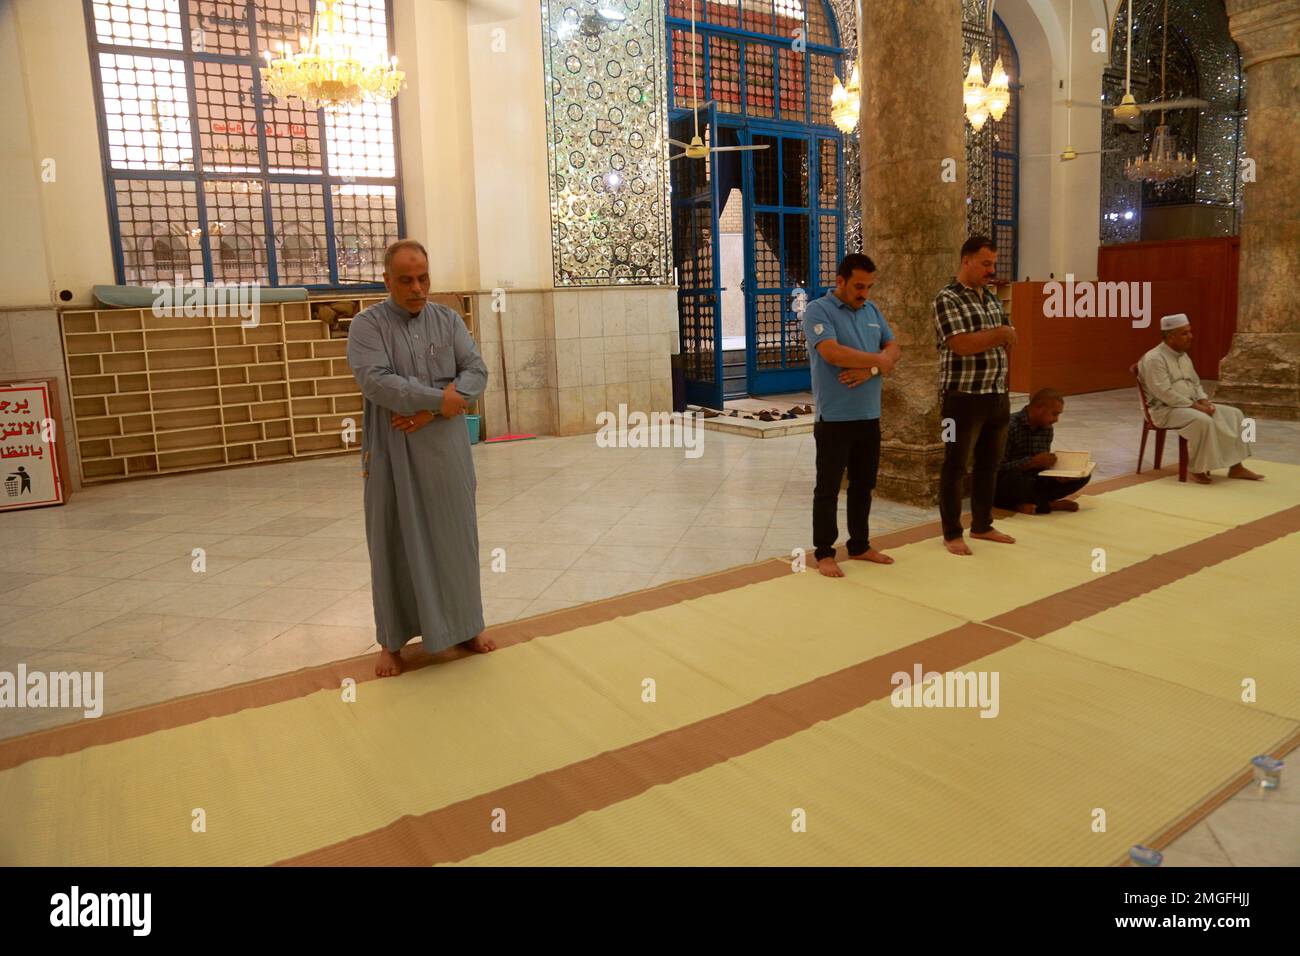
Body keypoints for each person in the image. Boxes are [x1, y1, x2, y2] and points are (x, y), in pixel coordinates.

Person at [347, 239, 494, 677]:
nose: (417, 288)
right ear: (388, 280)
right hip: (393, 449)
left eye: (423, 278)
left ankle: (466, 625)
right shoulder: (367, 326)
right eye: (406, 280)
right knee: (393, 539)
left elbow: (477, 370)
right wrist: (438, 398)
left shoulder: (447, 320)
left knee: (456, 537)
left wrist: (433, 410)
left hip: (445, 447)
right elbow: (377, 382)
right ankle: (392, 642)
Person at [802, 253, 901, 578]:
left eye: (869, 287)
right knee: (828, 488)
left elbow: (893, 348)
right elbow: (831, 353)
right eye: (859, 286)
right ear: (840, 281)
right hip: (834, 419)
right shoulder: (819, 309)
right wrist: (877, 362)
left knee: (863, 486)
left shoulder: (872, 311)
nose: (865, 293)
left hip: (868, 416)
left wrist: (870, 368)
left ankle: (859, 545)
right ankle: (825, 552)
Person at [933, 236, 1017, 555]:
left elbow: (1011, 338)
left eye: (993, 264)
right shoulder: (947, 298)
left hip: (995, 393)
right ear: (966, 261)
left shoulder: (992, 298)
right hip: (960, 399)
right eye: (985, 263)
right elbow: (961, 344)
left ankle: (982, 524)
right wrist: (999, 335)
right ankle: (952, 532)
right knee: (955, 465)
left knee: (989, 465)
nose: (991, 270)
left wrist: (999, 336)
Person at [1137, 313, 1264, 484]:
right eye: (1185, 333)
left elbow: (1195, 383)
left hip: (1191, 405)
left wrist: (1203, 400)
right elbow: (1164, 393)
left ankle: (1236, 467)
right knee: (1203, 421)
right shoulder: (1154, 359)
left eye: (1190, 332)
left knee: (1237, 415)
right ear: (1170, 336)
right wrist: (1197, 407)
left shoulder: (1183, 355)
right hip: (1164, 410)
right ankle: (1197, 468)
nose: (1191, 336)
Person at [994, 388, 1091, 514]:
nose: (1056, 420)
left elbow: (1042, 467)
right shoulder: (1009, 426)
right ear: (1039, 407)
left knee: (1083, 475)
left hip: (1034, 480)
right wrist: (1031, 462)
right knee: (1015, 479)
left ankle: (1032, 503)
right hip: (1009, 481)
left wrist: (1058, 475)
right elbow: (998, 469)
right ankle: (1046, 505)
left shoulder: (1047, 428)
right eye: (1054, 414)